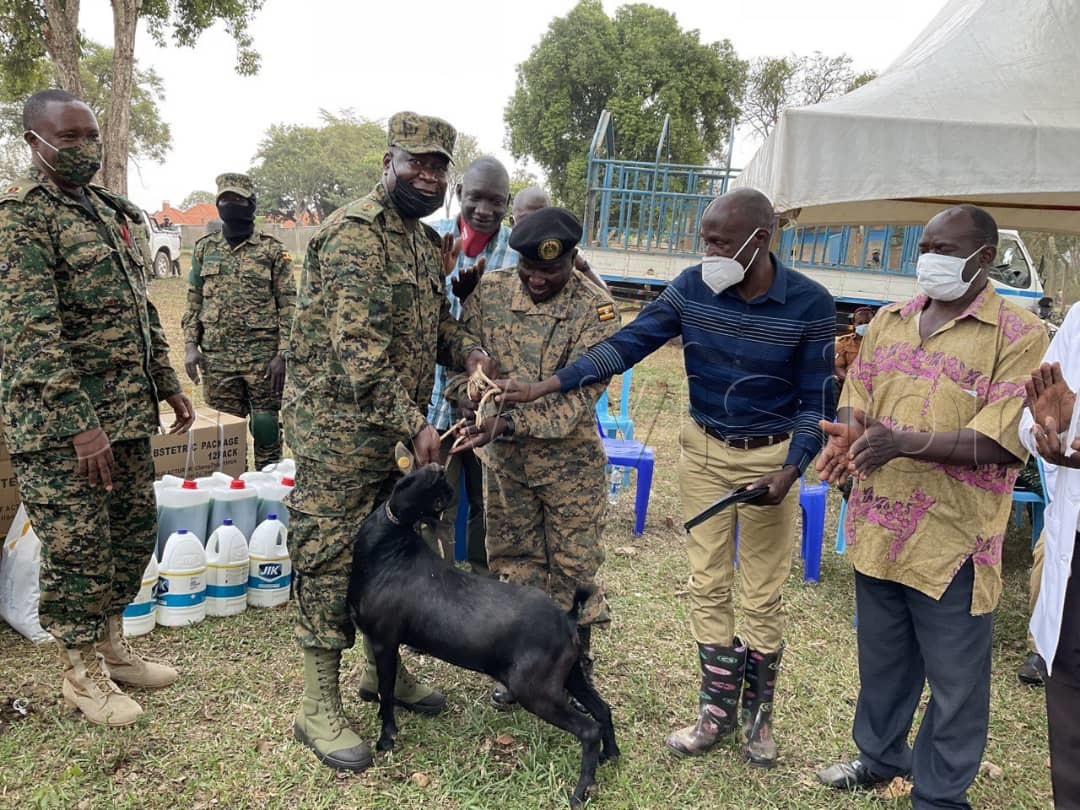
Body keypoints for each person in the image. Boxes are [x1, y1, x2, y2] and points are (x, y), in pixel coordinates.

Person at [495, 188, 837, 767]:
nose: (708, 251)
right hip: (704, 454)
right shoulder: (692, 287)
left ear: (762, 239)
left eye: (721, 242)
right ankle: (714, 713)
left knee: (761, 592)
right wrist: (549, 384)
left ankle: (759, 720)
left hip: (769, 462)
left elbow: (817, 400)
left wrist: (792, 468)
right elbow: (628, 344)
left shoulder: (810, 303)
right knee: (707, 584)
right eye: (705, 239)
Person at [815, 205, 1047, 808]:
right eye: (925, 246)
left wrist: (901, 442)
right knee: (884, 662)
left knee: (955, 681)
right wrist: (846, 432)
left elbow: (1000, 437)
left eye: (946, 249)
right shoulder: (892, 319)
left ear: (984, 257)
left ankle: (940, 795)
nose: (930, 259)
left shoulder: (1020, 336)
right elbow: (857, 395)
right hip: (878, 523)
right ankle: (881, 755)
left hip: (955, 537)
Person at [282, 111, 492, 772]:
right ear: (389, 160)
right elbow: (360, 360)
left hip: (389, 434)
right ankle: (317, 706)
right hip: (338, 433)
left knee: (392, 558)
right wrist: (418, 424)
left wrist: (471, 353)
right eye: (415, 162)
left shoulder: (424, 243)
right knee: (328, 557)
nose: (427, 176)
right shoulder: (354, 236)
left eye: (438, 167)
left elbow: (433, 329)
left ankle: (384, 675)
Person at [0, 89, 195, 726]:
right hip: (63, 427)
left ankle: (114, 650)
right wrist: (82, 426)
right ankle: (80, 676)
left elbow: (141, 312)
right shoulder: (20, 217)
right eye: (70, 137)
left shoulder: (112, 212)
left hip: (128, 414)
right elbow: (31, 333)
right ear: (34, 141)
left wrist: (167, 382)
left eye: (91, 136)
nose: (85, 148)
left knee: (131, 532)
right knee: (77, 547)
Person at [450, 206, 620, 708]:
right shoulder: (492, 292)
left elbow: (577, 399)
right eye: (530, 268)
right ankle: (523, 664)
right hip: (505, 467)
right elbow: (465, 356)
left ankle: (574, 667)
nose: (539, 279)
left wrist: (506, 421)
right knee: (515, 564)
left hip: (570, 467)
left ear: (573, 259)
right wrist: (467, 394)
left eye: (552, 270)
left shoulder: (596, 309)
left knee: (572, 567)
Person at [426, 157, 518, 570]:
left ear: (507, 203)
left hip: (492, 405)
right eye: (475, 198)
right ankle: (432, 583)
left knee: (489, 504)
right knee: (432, 497)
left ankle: (483, 584)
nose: (484, 210)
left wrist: (477, 302)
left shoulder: (519, 252)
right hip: (434, 401)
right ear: (459, 194)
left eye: (495, 201)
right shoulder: (432, 240)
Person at [181, 173, 295, 470]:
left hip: (263, 360)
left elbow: (289, 305)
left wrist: (283, 353)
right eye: (225, 200)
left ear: (252, 204)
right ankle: (232, 499)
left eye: (239, 200)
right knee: (224, 442)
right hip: (218, 360)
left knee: (266, 428)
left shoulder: (272, 250)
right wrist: (190, 345)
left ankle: (269, 497)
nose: (231, 205)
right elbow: (194, 299)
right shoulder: (205, 249)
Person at [1020, 309, 1080, 807]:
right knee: (1070, 691)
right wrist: (1045, 431)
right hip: (1076, 547)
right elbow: (1035, 414)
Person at [511, 185, 607, 290]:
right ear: (512, 222)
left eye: (544, 217)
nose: (536, 224)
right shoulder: (502, 248)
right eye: (527, 219)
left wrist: (581, 266)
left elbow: (604, 297)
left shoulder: (566, 250)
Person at [834, 307, 874, 392]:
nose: (863, 325)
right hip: (849, 385)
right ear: (854, 324)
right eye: (860, 323)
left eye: (867, 322)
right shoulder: (844, 343)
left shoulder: (882, 343)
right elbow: (838, 367)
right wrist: (850, 381)